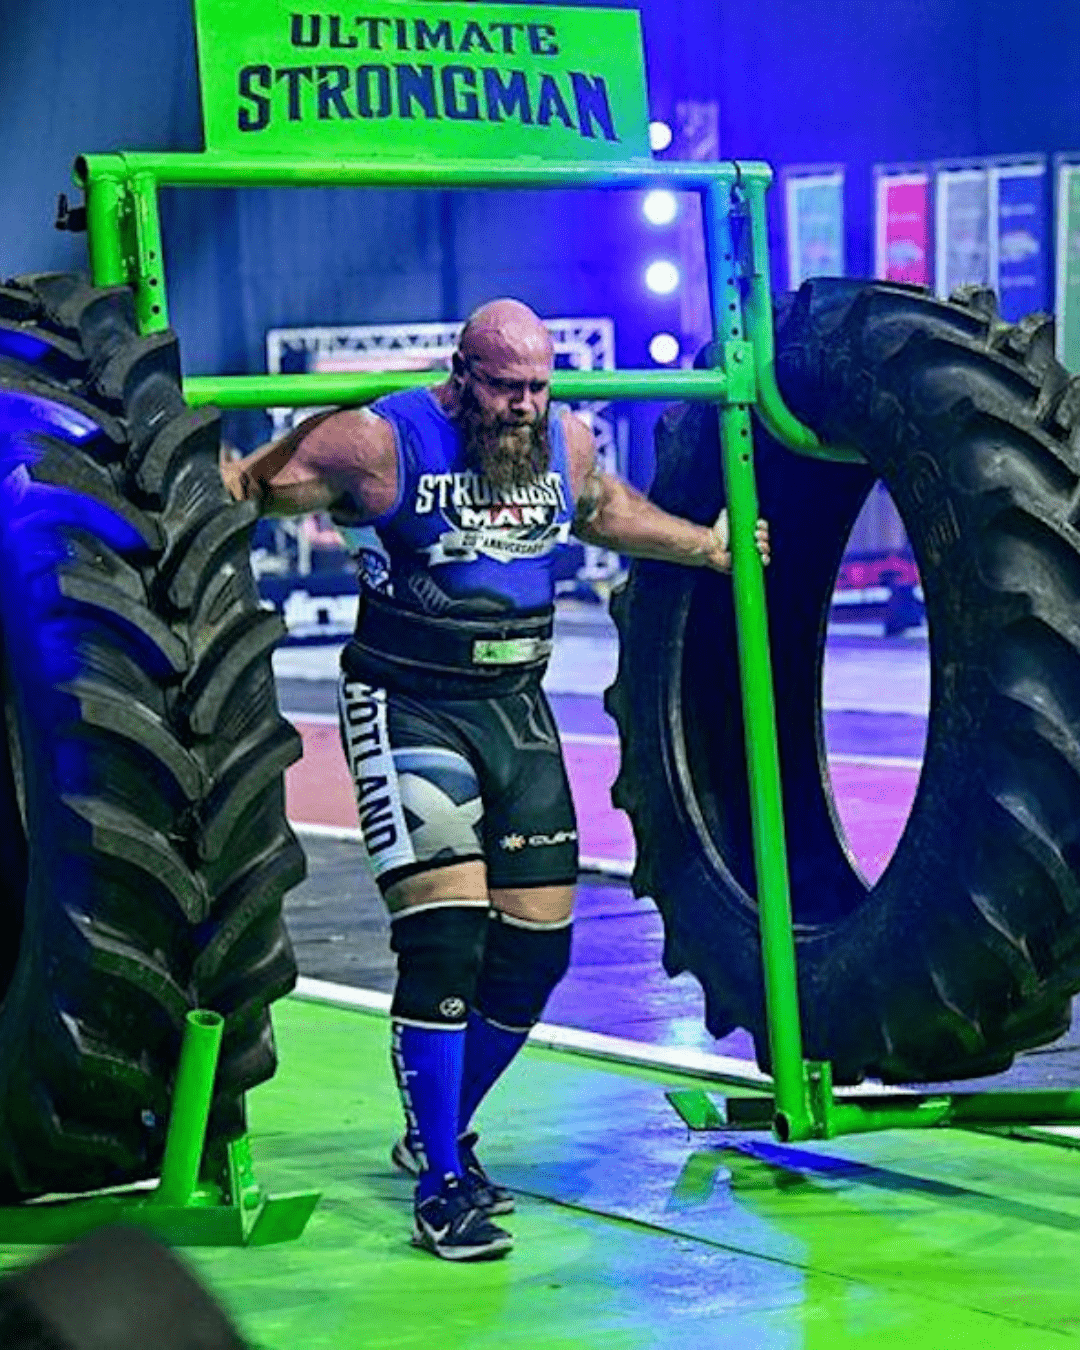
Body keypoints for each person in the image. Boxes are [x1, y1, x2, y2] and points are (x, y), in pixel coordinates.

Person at [221, 298, 770, 1261]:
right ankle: (441, 1182)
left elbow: (602, 509)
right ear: (461, 373)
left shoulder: (565, 440)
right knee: (444, 943)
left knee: (535, 955)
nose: (522, 405)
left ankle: (437, 1127)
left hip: (516, 709)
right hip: (409, 706)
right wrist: (233, 474)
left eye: (536, 387)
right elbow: (257, 488)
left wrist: (708, 547)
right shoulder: (381, 440)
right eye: (505, 386)